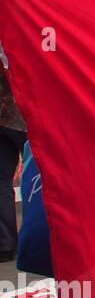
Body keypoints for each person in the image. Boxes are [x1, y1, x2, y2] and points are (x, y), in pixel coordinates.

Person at [0, 53, 25, 264]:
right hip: (28, 116)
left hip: (4, 117)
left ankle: (6, 245)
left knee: (0, 184)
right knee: (52, 179)